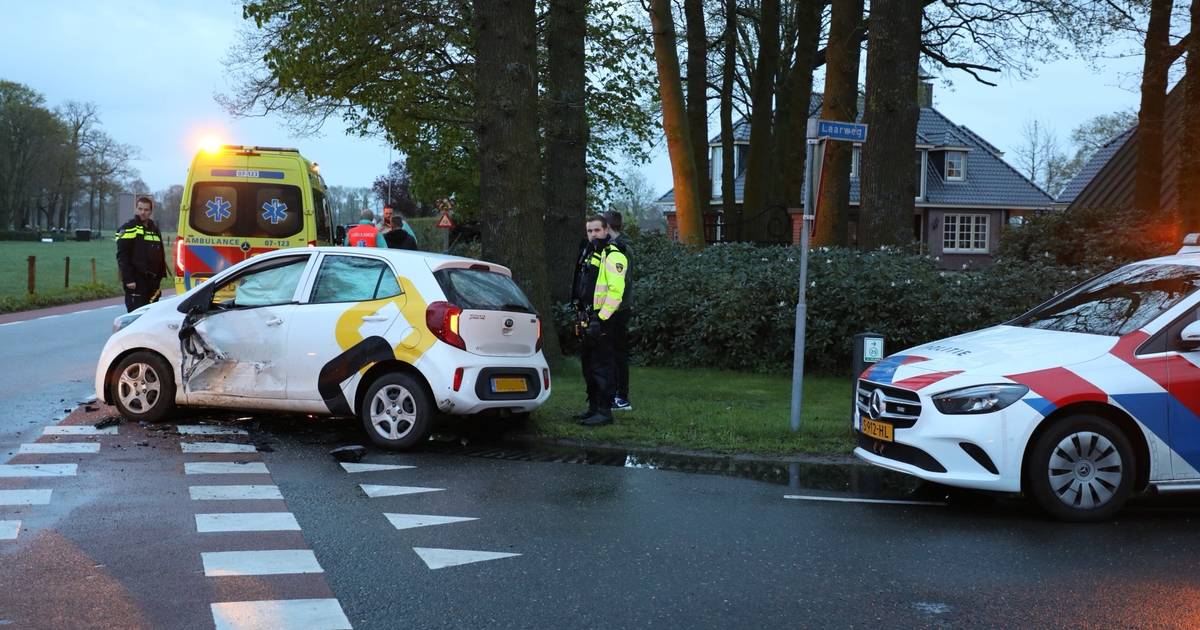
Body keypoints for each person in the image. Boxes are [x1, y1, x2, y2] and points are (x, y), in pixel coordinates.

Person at [571, 214, 629, 427]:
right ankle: (593, 408)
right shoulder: (590, 253)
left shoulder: (613, 255)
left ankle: (604, 411)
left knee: (602, 366)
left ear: (606, 230)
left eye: (597, 230)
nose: (593, 234)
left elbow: (616, 292)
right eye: (589, 231)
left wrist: (600, 318)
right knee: (589, 365)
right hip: (588, 318)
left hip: (603, 321)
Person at [115, 195, 168, 312]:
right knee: (136, 317)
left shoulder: (154, 229)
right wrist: (128, 279)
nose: (142, 212)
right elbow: (122, 255)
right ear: (136, 209)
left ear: (151, 212)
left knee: (150, 317)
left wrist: (160, 276)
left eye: (146, 210)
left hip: (153, 282)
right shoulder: (129, 227)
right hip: (136, 281)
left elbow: (160, 253)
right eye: (140, 209)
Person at [604, 210, 633, 412]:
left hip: (617, 308)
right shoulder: (620, 247)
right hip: (619, 307)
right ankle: (616, 394)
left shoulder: (619, 249)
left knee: (616, 353)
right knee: (614, 353)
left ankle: (621, 397)